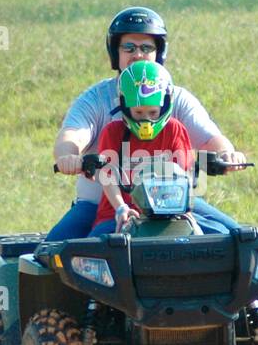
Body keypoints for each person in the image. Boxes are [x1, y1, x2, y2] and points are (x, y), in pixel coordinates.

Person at [48, 6, 245, 240]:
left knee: (238, 238)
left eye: (146, 48)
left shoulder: (176, 97)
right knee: (52, 252)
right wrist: (69, 157)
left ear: (159, 53)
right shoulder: (97, 98)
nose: (138, 54)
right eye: (128, 47)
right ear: (115, 53)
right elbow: (71, 135)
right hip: (101, 206)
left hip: (172, 206)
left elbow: (211, 138)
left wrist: (228, 154)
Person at [90, 61, 227, 235]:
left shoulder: (174, 129)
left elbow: (184, 177)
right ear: (125, 106)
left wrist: (183, 211)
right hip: (119, 214)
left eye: (153, 112)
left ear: (164, 106)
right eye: (138, 113)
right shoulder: (112, 132)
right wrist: (121, 208)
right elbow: (108, 176)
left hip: (170, 214)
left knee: (222, 234)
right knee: (93, 246)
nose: (146, 119)